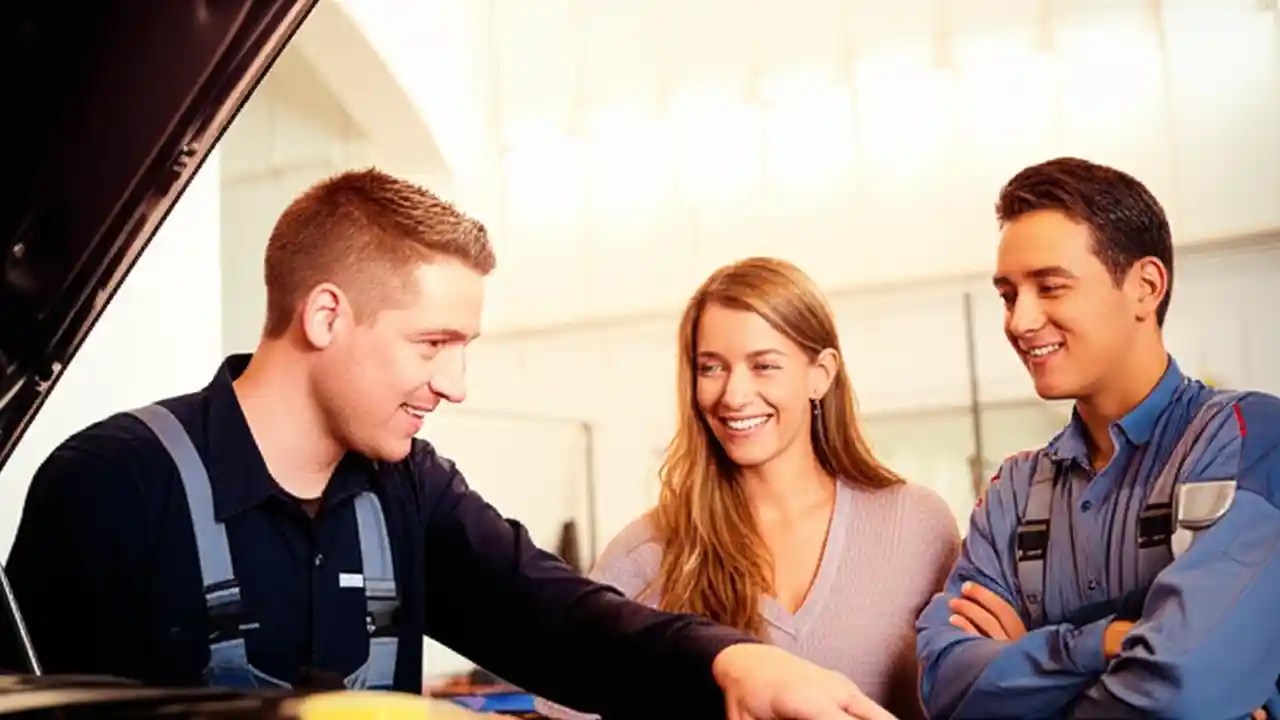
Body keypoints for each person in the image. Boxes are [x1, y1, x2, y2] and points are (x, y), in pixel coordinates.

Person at [2, 168, 896, 720]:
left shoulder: (408, 492)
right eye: (433, 345)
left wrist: (738, 661)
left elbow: (565, 623)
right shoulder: (111, 486)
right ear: (325, 314)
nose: (456, 384)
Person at [914, 157, 1280, 719]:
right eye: (1009, 295)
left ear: (1145, 287)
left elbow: (1183, 688)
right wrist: (1104, 642)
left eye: (1050, 287)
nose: (1019, 320)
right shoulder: (1014, 490)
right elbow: (946, 685)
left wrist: (1026, 660)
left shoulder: (1247, 440)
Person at [536, 257, 960, 720]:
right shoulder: (649, 550)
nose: (734, 395)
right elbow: (563, 706)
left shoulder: (917, 524)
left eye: (764, 366)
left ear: (820, 373)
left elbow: (963, 694)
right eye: (712, 368)